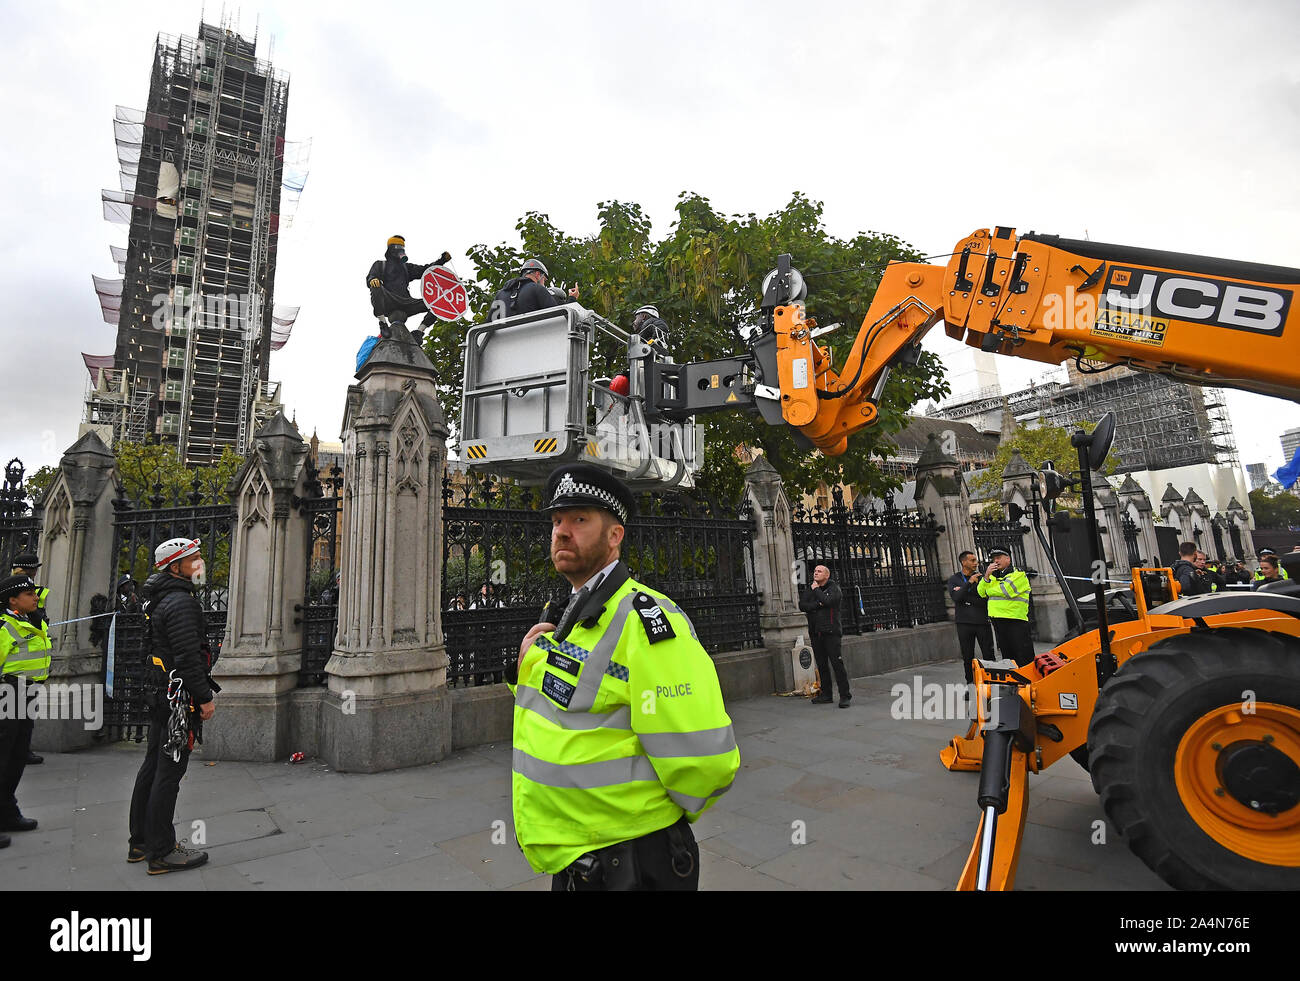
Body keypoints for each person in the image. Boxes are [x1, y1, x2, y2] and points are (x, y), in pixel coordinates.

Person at [509, 464, 739, 890]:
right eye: (557, 520)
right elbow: (576, 703)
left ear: (614, 536)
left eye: (579, 519)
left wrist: (656, 822)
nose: (561, 531)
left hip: (632, 862)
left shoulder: (649, 620)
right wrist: (524, 667)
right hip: (577, 859)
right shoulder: (569, 610)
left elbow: (705, 756)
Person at [128, 538, 217, 875]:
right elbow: (188, 657)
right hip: (178, 698)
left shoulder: (158, 599)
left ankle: (140, 841)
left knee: (152, 765)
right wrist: (204, 697)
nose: (199, 565)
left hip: (160, 693)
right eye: (193, 560)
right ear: (175, 567)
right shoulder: (181, 603)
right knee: (169, 772)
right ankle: (162, 850)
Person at [0, 574, 51, 846]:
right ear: (12, 600)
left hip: (27, 692)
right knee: (2, 756)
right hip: (7, 692)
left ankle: (6, 811)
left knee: (17, 755)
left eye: (35, 593)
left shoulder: (33, 620)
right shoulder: (4, 625)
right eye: (29, 593)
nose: (35, 596)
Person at [365, 235, 452, 344]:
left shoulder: (407, 267)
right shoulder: (380, 264)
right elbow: (371, 277)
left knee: (437, 303)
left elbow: (425, 270)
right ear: (391, 249)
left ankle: (419, 331)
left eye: (402, 247)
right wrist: (373, 279)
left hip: (406, 302)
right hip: (388, 299)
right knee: (375, 286)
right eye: (397, 247)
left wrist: (441, 260)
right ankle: (383, 323)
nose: (400, 250)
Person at [9, 553, 47, 766]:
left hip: (30, 674)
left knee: (24, 721)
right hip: (13, 679)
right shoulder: (14, 588)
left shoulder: (30, 600)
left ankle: (23, 750)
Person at [799, 564, 851, 707]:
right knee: (822, 665)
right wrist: (818, 603)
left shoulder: (834, 588)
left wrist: (816, 591)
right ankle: (826, 694)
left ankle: (845, 695)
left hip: (831, 632)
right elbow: (803, 605)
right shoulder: (811, 589)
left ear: (826, 575)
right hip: (816, 632)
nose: (815, 573)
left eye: (819, 571)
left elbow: (829, 601)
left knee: (836, 664)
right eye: (815, 571)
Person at [977, 547, 1034, 668]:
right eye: (993, 559)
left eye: (998, 558)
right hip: (998, 619)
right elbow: (980, 592)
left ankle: (1029, 681)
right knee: (1007, 657)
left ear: (1008, 558)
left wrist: (989, 590)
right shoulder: (991, 577)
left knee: (1023, 654)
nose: (995, 561)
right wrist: (986, 576)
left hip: (1015, 619)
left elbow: (1006, 590)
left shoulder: (1018, 575)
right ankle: (1012, 683)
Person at [948, 550, 995, 685]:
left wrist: (964, 592)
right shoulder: (954, 579)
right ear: (964, 562)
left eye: (976, 560)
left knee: (988, 655)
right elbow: (956, 597)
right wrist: (969, 584)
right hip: (964, 623)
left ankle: (990, 683)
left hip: (982, 622)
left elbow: (984, 598)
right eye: (973, 560)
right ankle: (970, 684)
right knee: (967, 656)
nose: (976, 563)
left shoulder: (981, 578)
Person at [489, 258, 580, 321]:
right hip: (532, 343)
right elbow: (560, 317)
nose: (544, 284)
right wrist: (572, 299)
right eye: (544, 279)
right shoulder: (538, 289)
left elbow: (489, 323)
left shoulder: (500, 294)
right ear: (537, 274)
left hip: (504, 344)